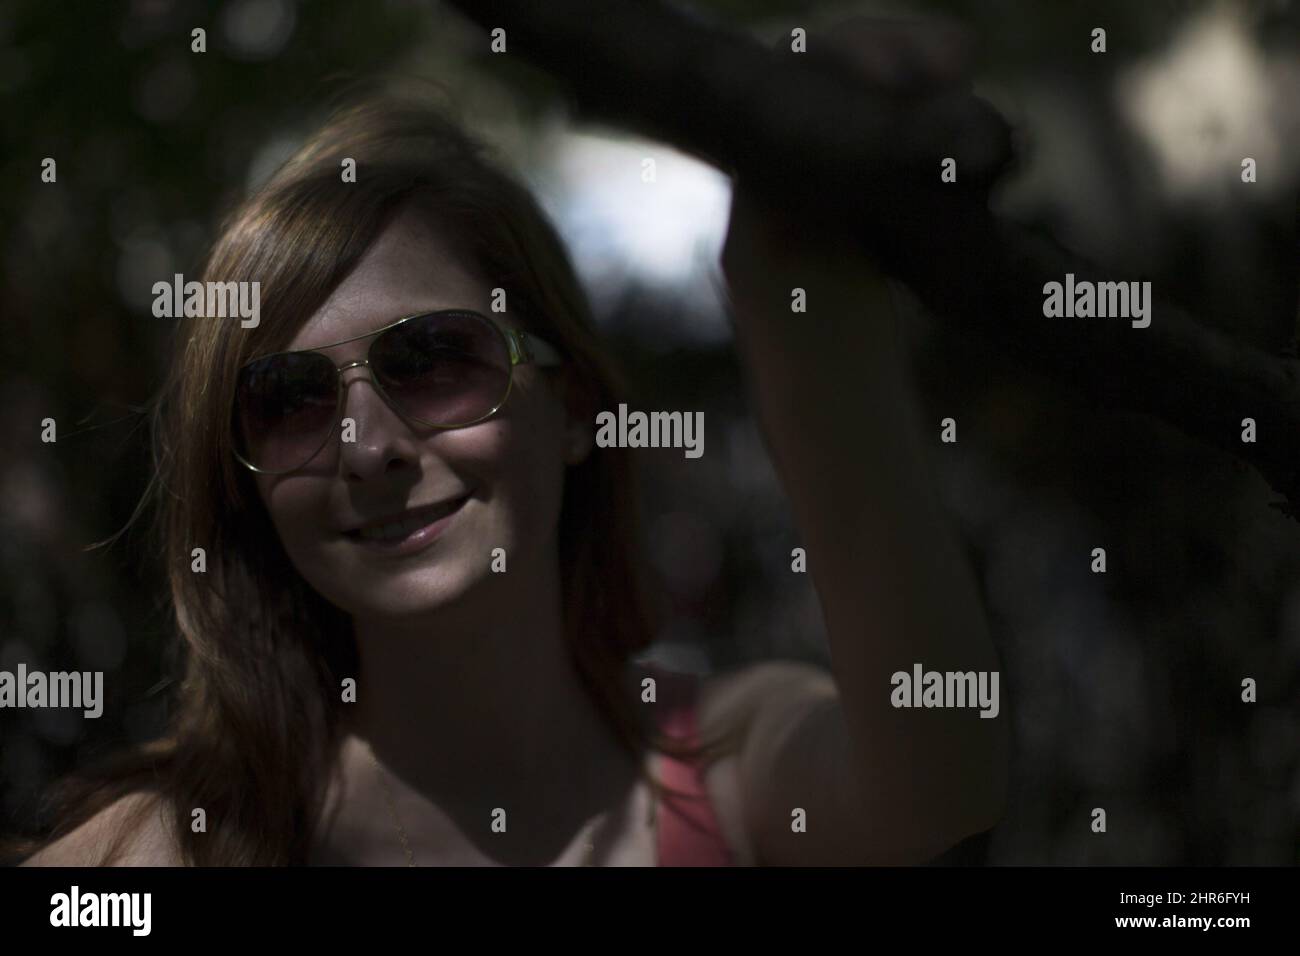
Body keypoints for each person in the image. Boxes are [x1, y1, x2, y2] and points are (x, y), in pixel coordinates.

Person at [18, 20, 1006, 867]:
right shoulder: (165, 849)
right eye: (288, 398)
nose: (366, 445)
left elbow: (936, 787)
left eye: (433, 357)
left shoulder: (729, 756)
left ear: (572, 400)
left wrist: (795, 299)